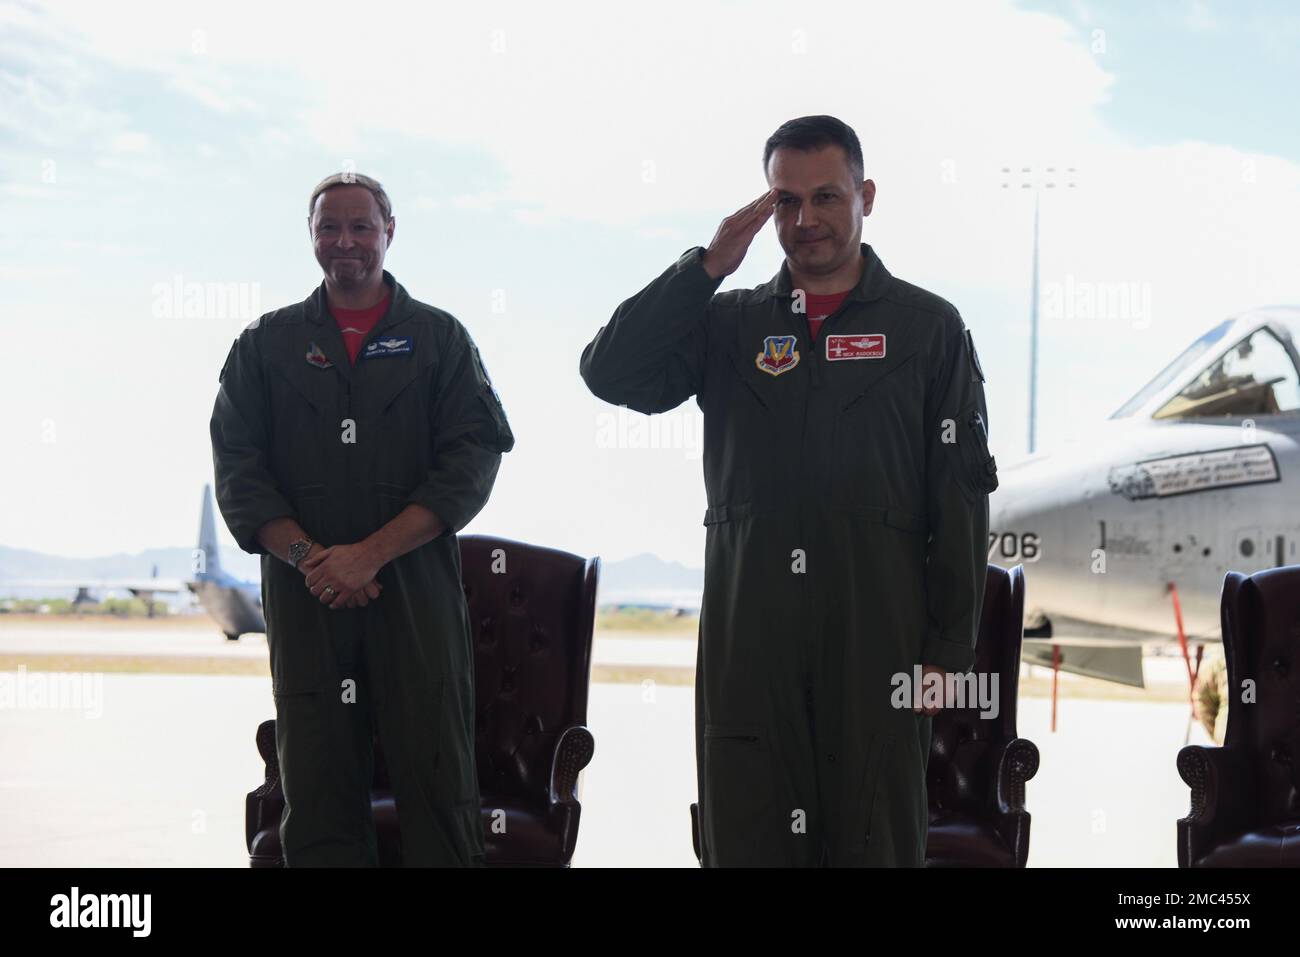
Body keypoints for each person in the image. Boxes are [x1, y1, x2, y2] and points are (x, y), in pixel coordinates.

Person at [580, 116, 997, 866]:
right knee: (747, 835)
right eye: (786, 201)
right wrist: (704, 266)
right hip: (751, 639)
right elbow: (609, 372)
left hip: (881, 638)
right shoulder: (727, 325)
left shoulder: (929, 329)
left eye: (827, 197)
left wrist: (947, 651)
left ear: (866, 196)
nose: (806, 220)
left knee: (874, 838)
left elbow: (961, 495)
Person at [210, 172, 514, 866]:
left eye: (360, 226)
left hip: (414, 598)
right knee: (317, 800)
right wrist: (314, 560)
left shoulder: (440, 339)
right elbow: (239, 470)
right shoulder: (266, 345)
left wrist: (369, 554)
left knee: (439, 793)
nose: (344, 241)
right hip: (304, 599)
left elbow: (472, 459)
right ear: (311, 235)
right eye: (329, 227)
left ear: (389, 231)